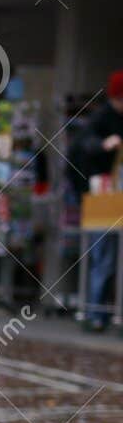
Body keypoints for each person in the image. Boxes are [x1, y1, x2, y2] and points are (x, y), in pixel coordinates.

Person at [72, 70, 123, 331]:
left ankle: (103, 313)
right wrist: (104, 144)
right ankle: (95, 314)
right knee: (103, 256)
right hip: (101, 198)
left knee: (109, 257)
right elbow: (83, 145)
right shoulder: (100, 118)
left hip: (115, 196)